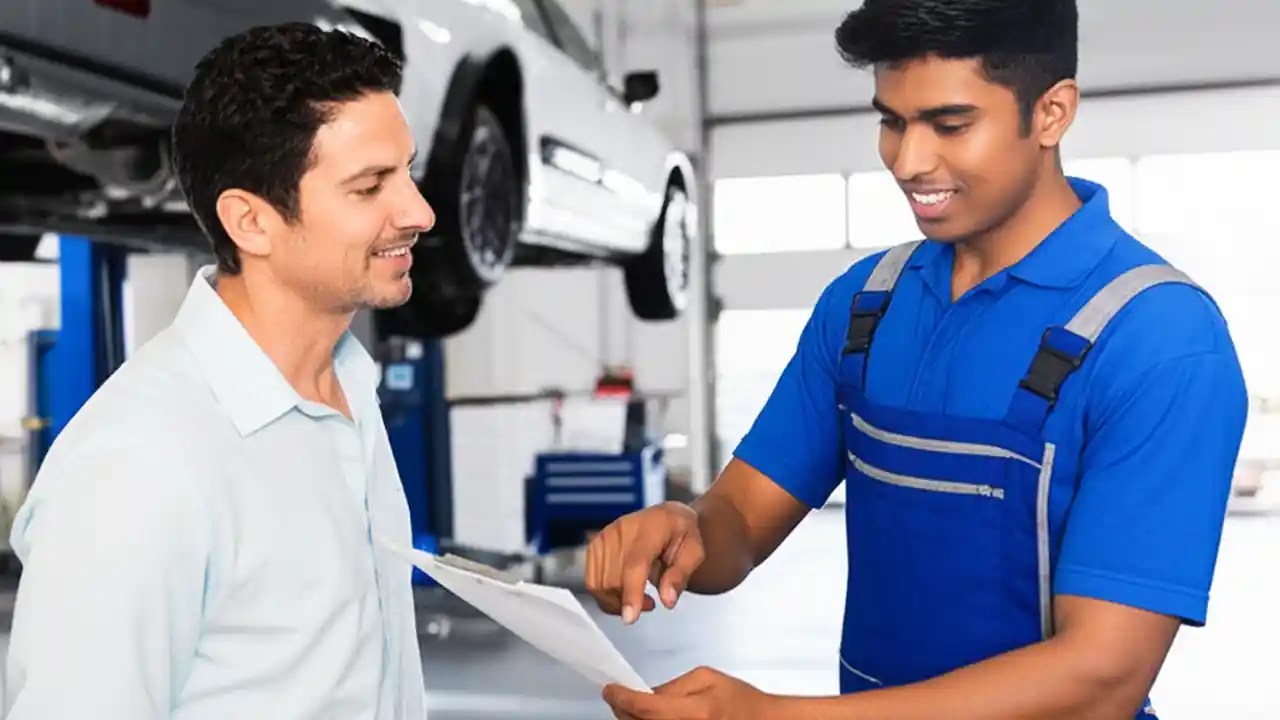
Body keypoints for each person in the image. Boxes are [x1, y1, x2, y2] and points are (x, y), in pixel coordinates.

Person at [589, 1, 1248, 718]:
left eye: (950, 125)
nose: (908, 161)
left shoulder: (1161, 340)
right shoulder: (865, 305)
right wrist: (682, 532)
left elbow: (1102, 679)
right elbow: (741, 521)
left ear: (1052, 114)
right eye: (892, 121)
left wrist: (775, 716)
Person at [3, 23, 436, 718]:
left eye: (407, 171)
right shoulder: (140, 464)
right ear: (251, 222)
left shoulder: (348, 389)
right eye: (369, 187)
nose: (419, 211)